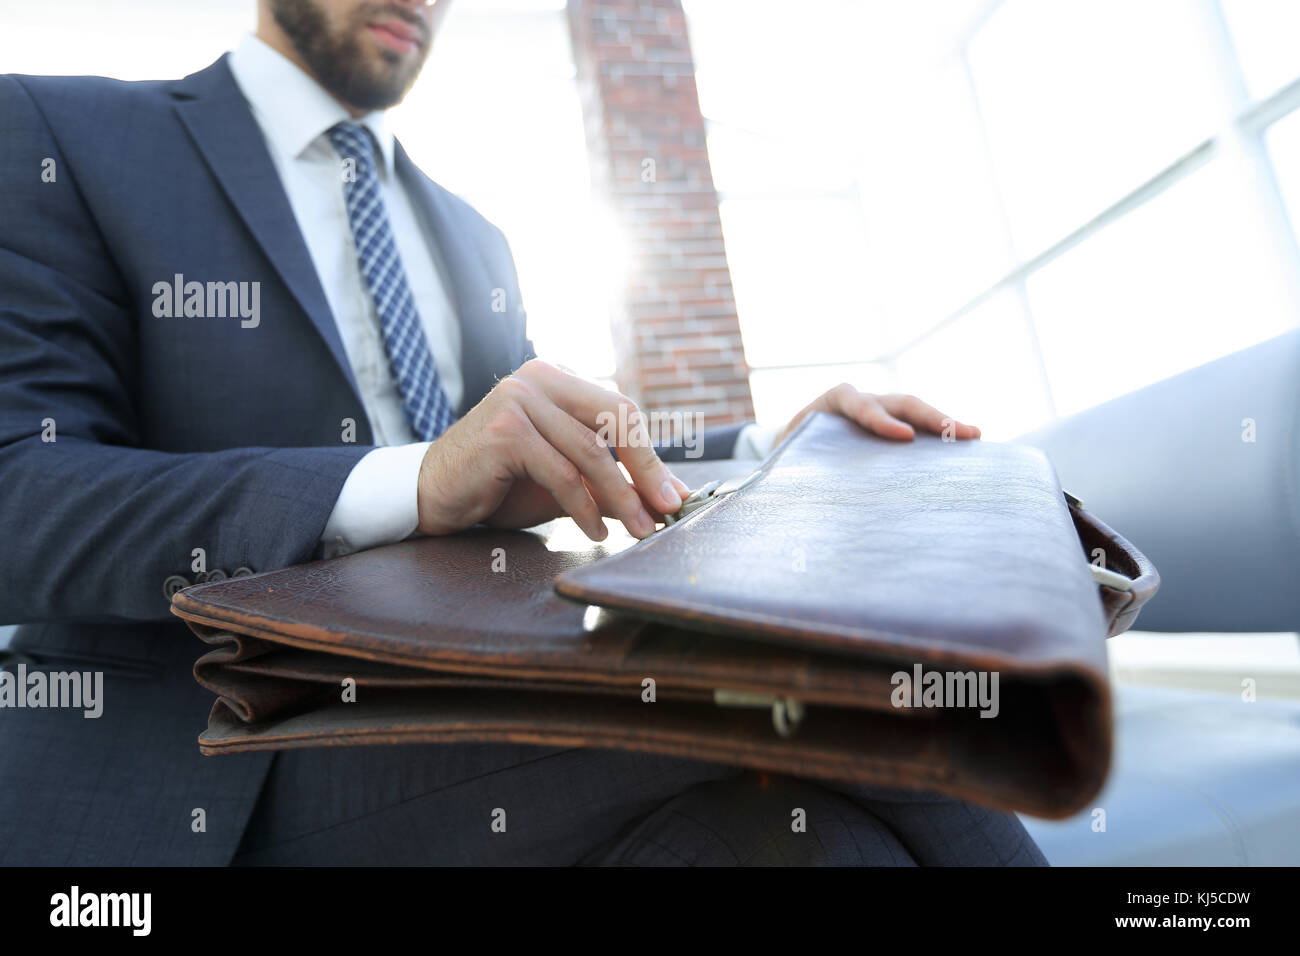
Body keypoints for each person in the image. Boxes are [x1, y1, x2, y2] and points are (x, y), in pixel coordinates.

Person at [0, 0, 1043, 865]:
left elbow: (544, 441)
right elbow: (19, 498)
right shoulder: (59, 134)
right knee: (858, 711)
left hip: (472, 689)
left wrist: (771, 450)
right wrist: (416, 481)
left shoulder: (468, 229)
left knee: (799, 841)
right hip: (208, 759)